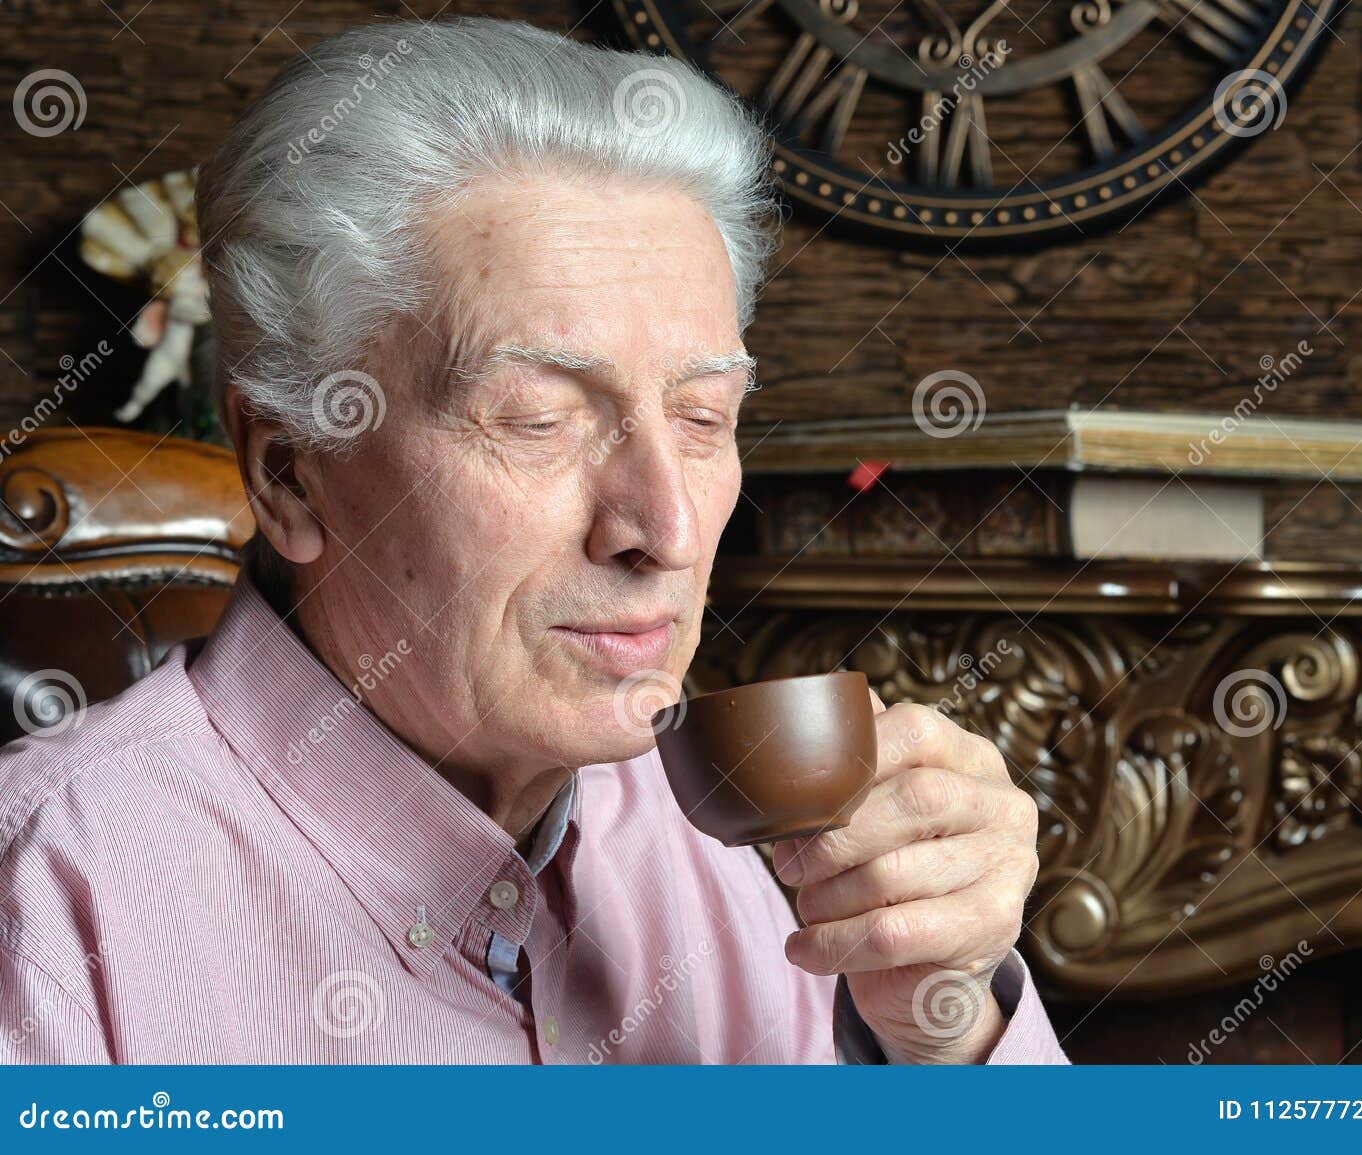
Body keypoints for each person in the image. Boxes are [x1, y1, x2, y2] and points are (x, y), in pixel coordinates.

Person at [0, 16, 1065, 1064]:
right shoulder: (50, 908)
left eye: (702, 420)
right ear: (289, 471)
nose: (669, 529)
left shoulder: (741, 852)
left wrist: (945, 1018)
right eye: (539, 420)